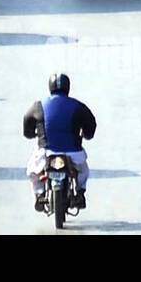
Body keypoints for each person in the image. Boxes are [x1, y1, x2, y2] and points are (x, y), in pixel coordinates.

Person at [24, 73, 97, 211]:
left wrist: (30, 134)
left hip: (45, 152)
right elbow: (91, 125)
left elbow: (26, 123)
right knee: (83, 171)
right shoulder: (78, 106)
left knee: (33, 171)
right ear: (68, 88)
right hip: (74, 153)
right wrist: (87, 135)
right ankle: (80, 193)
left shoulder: (38, 105)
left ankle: (39, 194)